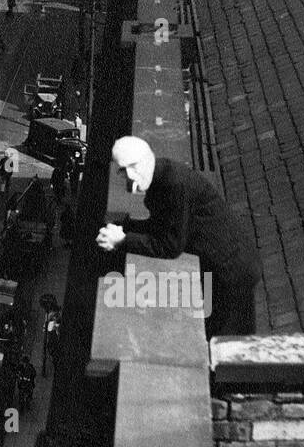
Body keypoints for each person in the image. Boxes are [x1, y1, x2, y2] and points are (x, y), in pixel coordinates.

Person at [96, 136, 260, 337]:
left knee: (225, 342)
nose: (130, 175)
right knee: (217, 335)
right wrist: (125, 229)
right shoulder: (163, 178)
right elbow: (162, 228)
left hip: (231, 271)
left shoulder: (174, 185)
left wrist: (122, 240)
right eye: (123, 170)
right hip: (223, 266)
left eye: (134, 166)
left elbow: (170, 246)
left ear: (149, 159)